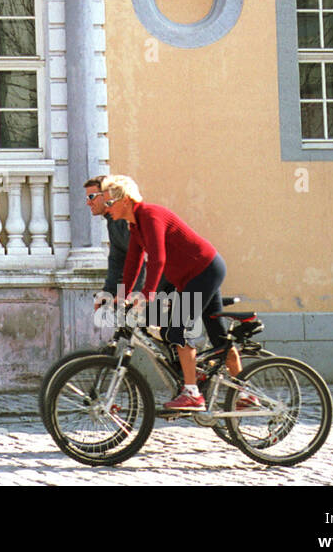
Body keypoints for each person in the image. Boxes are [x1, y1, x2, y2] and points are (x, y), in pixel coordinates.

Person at [100, 174, 241, 411]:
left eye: (109, 202)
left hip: (204, 270)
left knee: (177, 330)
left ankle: (192, 394)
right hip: (192, 276)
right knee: (218, 338)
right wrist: (121, 294)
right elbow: (133, 263)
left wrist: (147, 294)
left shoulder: (150, 215)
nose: (106, 208)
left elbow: (158, 259)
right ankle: (245, 394)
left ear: (124, 200)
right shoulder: (134, 225)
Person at [85, 175, 171, 314]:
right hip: (154, 282)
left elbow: (140, 261)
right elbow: (117, 260)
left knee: (168, 332)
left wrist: (134, 295)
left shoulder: (124, 222)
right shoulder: (113, 222)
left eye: (91, 196)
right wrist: (108, 292)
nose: (88, 203)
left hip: (167, 278)